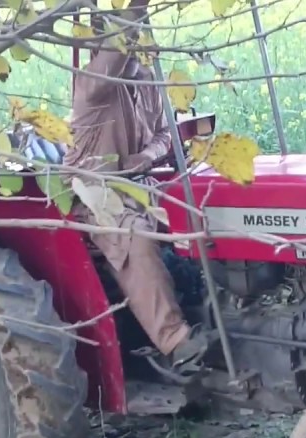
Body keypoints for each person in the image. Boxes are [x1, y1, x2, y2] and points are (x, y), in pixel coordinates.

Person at [64, 28, 213, 371]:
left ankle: (216, 305)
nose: (138, 53)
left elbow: (165, 133)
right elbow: (116, 52)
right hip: (94, 194)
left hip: (140, 185)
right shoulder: (92, 88)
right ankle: (176, 342)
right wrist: (134, 9)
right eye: (130, 45)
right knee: (136, 238)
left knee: (196, 217)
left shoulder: (147, 84)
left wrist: (146, 155)